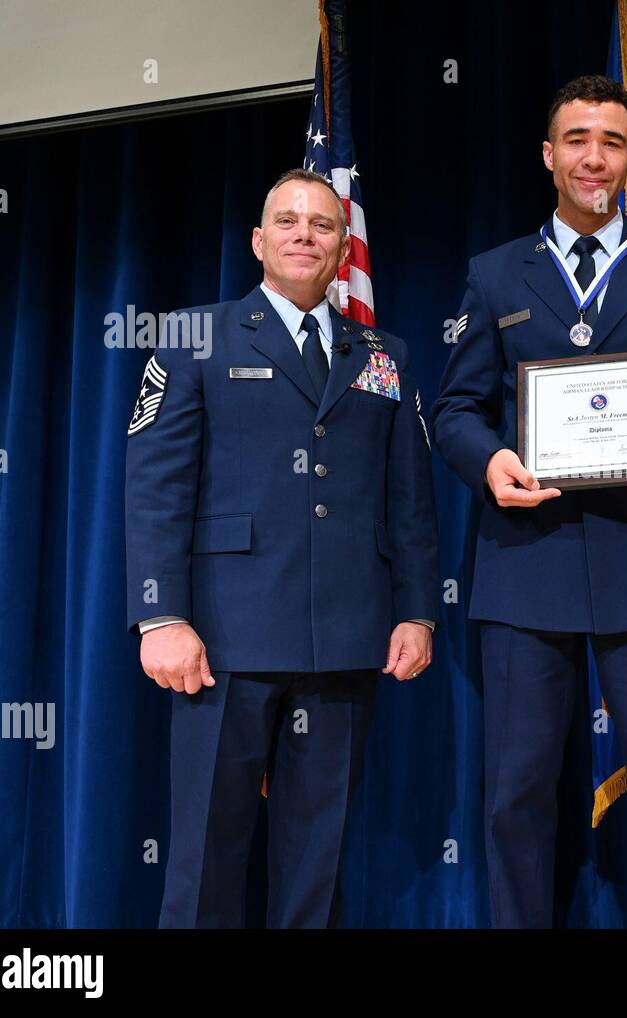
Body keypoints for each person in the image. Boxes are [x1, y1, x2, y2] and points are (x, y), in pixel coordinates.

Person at [433, 75, 627, 928]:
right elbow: (455, 408)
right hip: (524, 566)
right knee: (517, 798)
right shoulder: (494, 275)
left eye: (611, 141)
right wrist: (492, 459)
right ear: (548, 154)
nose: (593, 157)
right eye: (577, 139)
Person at [125, 168, 439, 928]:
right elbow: (154, 488)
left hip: (346, 636)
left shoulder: (382, 353)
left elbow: (410, 499)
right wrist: (159, 616)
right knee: (205, 858)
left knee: (316, 863)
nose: (306, 234)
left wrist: (419, 613)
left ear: (342, 249)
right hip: (223, 641)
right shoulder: (195, 337)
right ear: (259, 242)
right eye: (289, 222)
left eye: (323, 225)